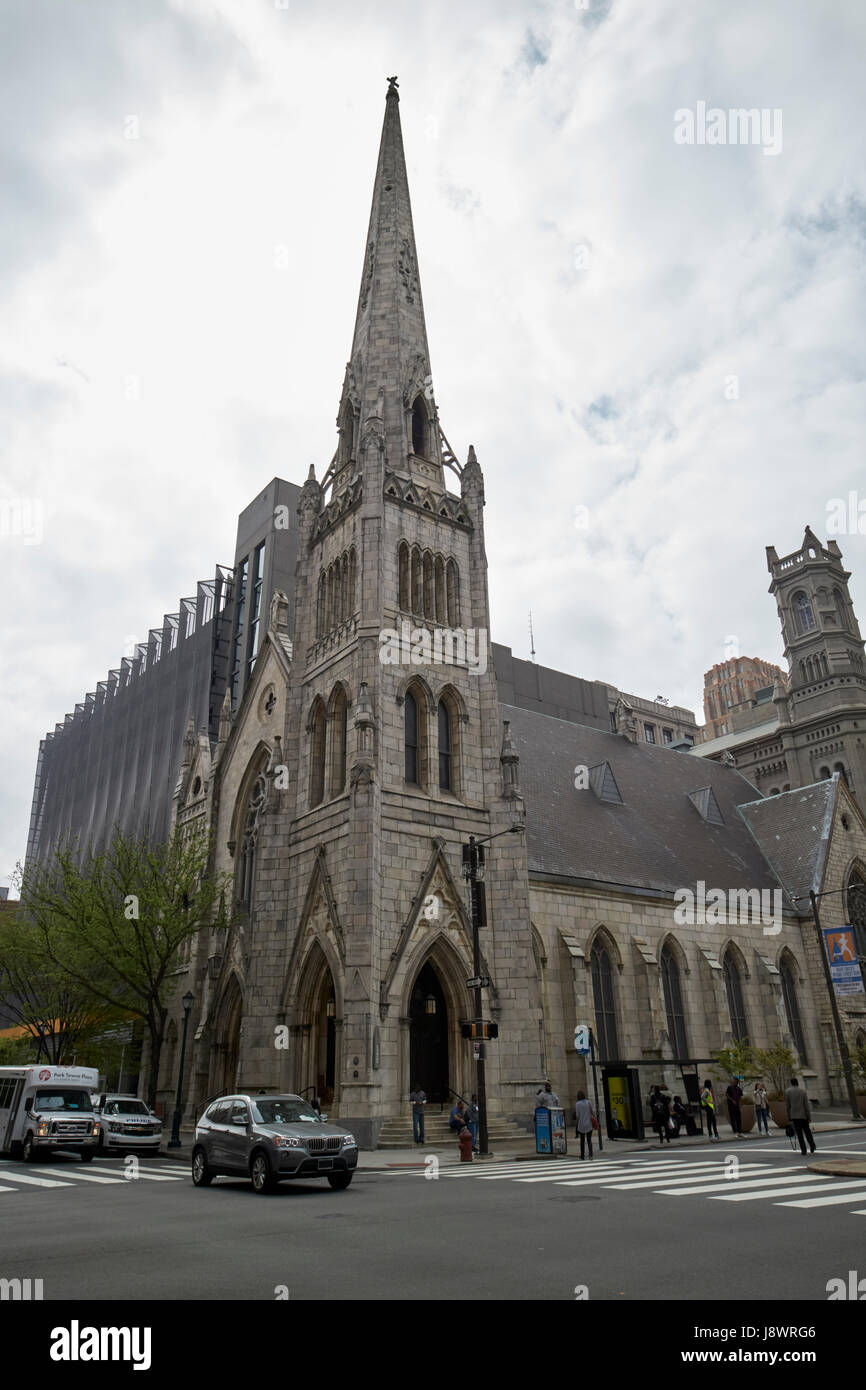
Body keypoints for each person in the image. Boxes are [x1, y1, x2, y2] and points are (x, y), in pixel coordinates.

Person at [785, 1077, 817, 1155]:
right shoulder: (802, 1091)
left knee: (799, 1134)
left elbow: (788, 1106)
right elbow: (806, 1105)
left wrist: (789, 1116)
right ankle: (812, 1145)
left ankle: (803, 1150)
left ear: (791, 1083)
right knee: (807, 1132)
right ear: (797, 1083)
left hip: (794, 1116)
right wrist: (808, 1116)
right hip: (803, 1115)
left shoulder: (788, 1092)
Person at [574, 1090, 595, 1159]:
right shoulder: (588, 1102)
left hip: (581, 1124)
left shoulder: (577, 1104)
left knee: (582, 1141)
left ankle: (582, 1155)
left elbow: (577, 1115)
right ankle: (591, 1154)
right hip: (589, 1123)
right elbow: (592, 1112)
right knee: (589, 1140)